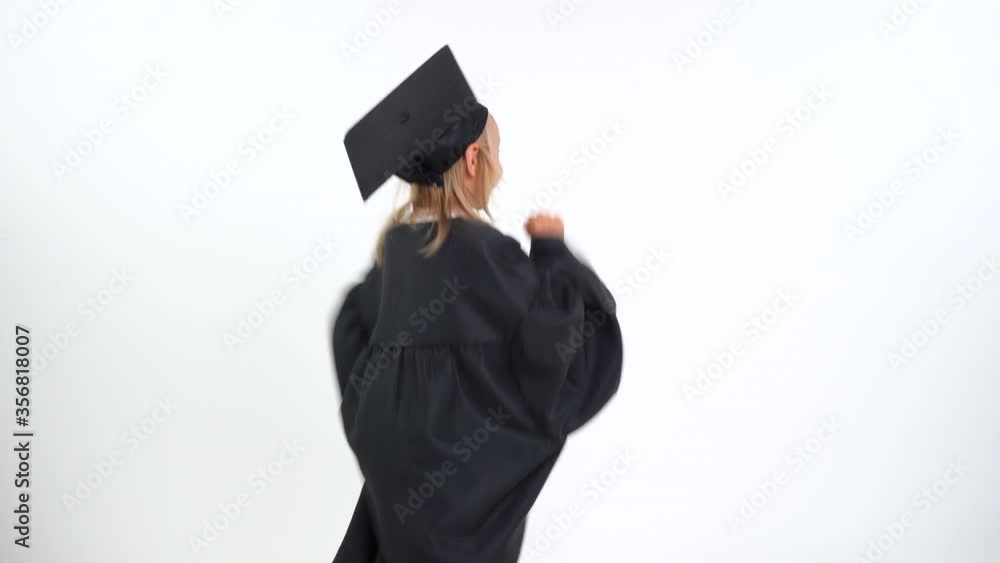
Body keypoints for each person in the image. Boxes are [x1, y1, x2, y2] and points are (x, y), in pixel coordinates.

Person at [332, 45, 623, 563]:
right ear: (472, 159)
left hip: (401, 514)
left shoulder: (389, 266)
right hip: (472, 530)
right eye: (496, 151)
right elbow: (560, 354)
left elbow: (354, 345)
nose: (500, 167)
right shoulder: (490, 258)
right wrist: (554, 254)